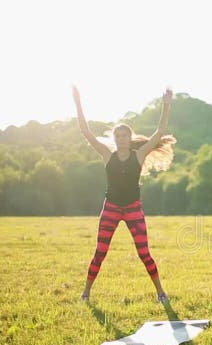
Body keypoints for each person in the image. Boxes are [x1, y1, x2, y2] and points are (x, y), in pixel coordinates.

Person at [72, 85, 176, 303]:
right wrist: (78, 101)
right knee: (100, 253)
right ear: (114, 138)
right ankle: (85, 294)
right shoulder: (106, 155)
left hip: (132, 209)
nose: (120, 138)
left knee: (144, 253)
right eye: (117, 135)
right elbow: (86, 131)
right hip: (111, 208)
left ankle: (160, 293)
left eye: (124, 135)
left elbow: (159, 132)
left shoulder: (139, 155)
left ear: (129, 138)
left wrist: (166, 104)